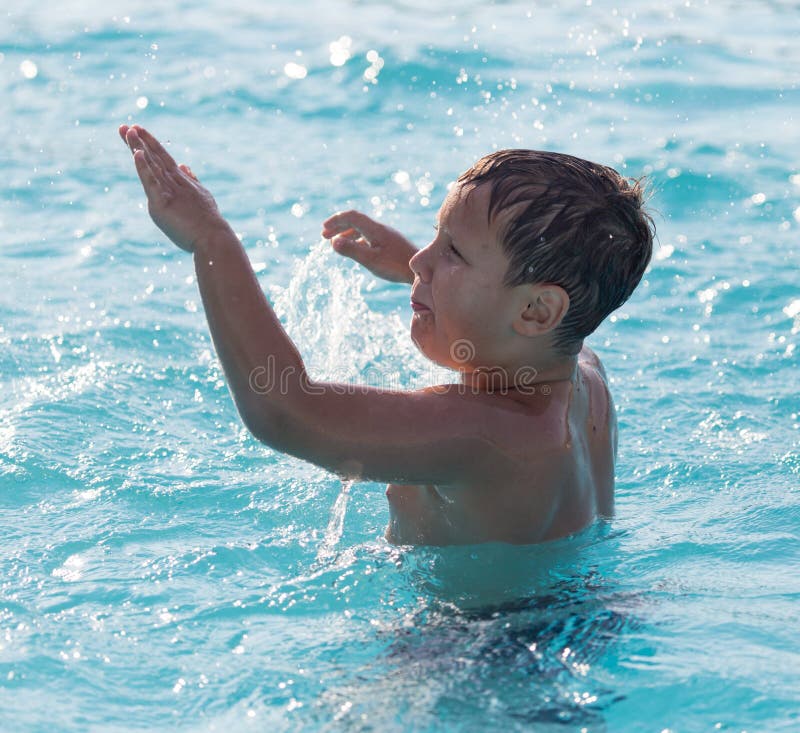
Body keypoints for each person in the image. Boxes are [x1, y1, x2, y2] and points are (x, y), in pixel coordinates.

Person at [119, 124, 654, 546]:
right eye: (435, 238)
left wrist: (211, 240)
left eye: (452, 252)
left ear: (536, 310)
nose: (421, 259)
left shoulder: (487, 434)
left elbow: (286, 411)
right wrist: (417, 271)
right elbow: (522, 324)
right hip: (578, 612)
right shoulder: (585, 377)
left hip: (483, 642)